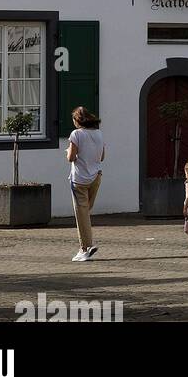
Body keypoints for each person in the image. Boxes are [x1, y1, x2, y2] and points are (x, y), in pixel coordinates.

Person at [66, 106, 105, 263]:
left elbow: (70, 157)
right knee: (86, 212)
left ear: (77, 120)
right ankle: (87, 245)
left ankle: (85, 248)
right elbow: (102, 156)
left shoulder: (76, 134)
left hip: (79, 179)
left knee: (81, 214)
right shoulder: (99, 133)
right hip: (96, 176)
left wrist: (68, 152)